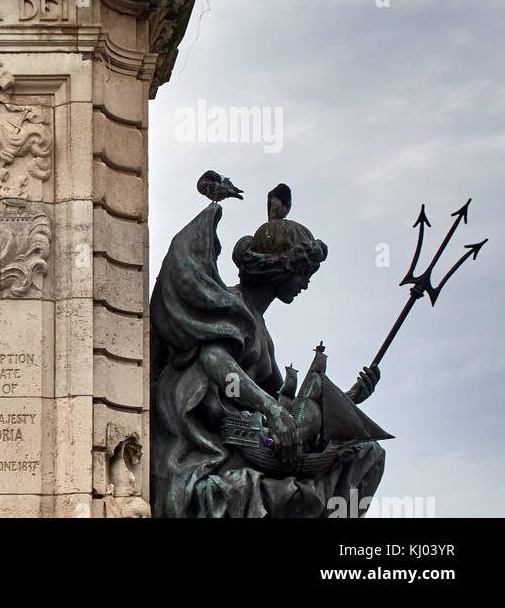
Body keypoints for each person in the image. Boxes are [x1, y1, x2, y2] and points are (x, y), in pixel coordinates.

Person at [150, 187, 389, 518]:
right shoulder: (230, 308)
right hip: (211, 449)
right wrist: (271, 411)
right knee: (264, 492)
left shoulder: (262, 330)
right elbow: (214, 361)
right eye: (303, 274)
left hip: (251, 445)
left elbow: (285, 401)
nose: (305, 284)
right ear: (281, 268)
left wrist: (348, 401)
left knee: (365, 453)